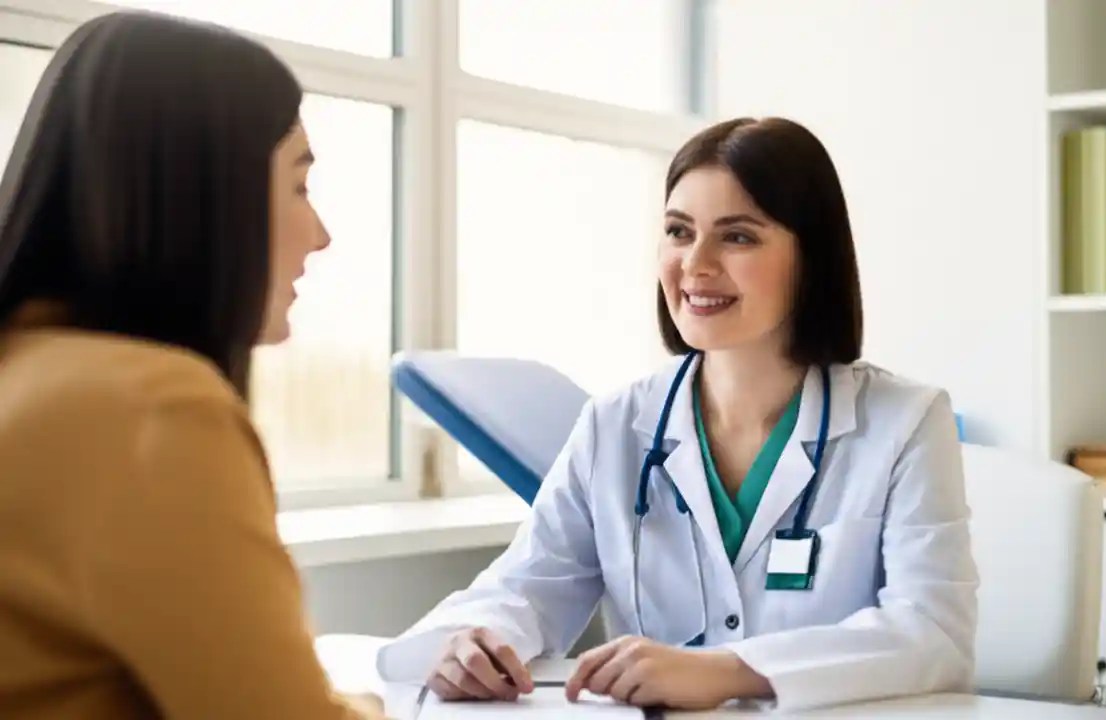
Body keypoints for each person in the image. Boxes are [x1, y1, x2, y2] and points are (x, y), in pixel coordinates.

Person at [376, 117, 980, 713]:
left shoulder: (906, 423)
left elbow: (933, 633)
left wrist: (727, 672)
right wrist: (474, 640)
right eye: (678, 231)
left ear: (812, 258)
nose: (696, 263)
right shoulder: (612, 424)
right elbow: (526, 589)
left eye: (737, 236)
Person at [0, 12, 383, 719]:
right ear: (206, 192)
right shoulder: (151, 408)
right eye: (299, 186)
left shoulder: (26, 373)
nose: (320, 235)